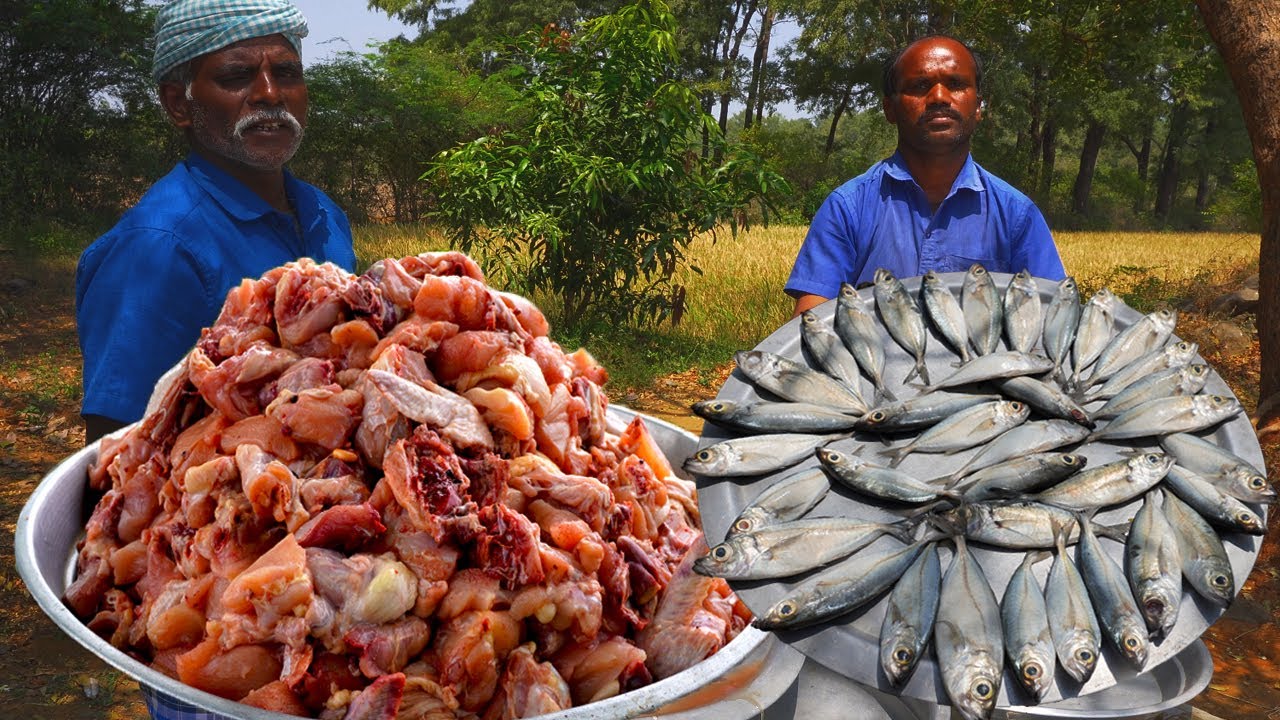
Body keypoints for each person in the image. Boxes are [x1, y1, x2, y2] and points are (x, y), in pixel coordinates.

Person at [76, 0, 357, 445]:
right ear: (179, 104)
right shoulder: (157, 247)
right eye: (236, 76)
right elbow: (116, 448)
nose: (270, 93)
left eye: (286, 73)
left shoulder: (324, 214)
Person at [785, 35, 1065, 316]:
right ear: (889, 109)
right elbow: (811, 324)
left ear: (978, 106)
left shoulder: (1017, 216)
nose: (939, 97)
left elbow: (1053, 319)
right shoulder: (848, 208)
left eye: (955, 84)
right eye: (920, 86)